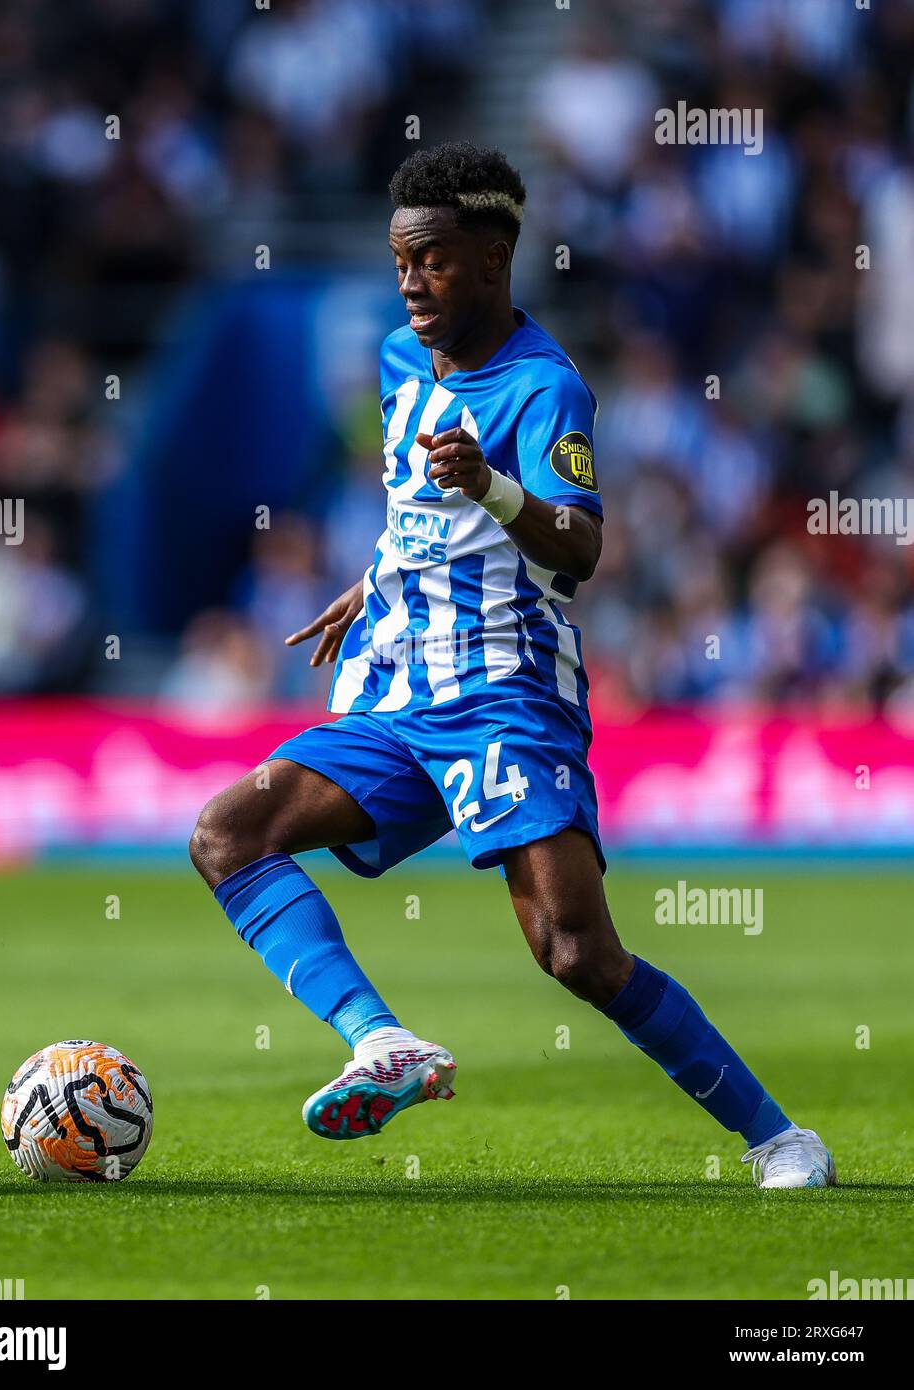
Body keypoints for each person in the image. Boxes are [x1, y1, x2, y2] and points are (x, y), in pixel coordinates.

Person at [190, 142, 834, 1188]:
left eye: (434, 261)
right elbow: (415, 503)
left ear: (494, 260)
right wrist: (379, 579)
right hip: (402, 689)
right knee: (229, 831)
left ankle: (780, 1138)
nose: (412, 282)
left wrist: (491, 486)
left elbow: (579, 548)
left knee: (577, 953)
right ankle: (383, 1041)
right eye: (402, 261)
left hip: (505, 692)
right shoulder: (405, 360)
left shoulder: (545, 388)